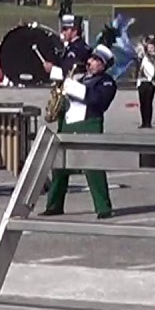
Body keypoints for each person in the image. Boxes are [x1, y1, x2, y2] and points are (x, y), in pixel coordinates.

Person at [41, 42, 116, 220]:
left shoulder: (106, 82)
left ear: (103, 65)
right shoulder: (80, 79)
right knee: (59, 167)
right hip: (68, 125)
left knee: (93, 168)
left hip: (88, 125)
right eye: (91, 58)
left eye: (96, 60)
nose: (90, 62)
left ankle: (103, 207)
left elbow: (98, 101)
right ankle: (54, 205)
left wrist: (71, 87)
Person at [42, 14, 90, 82]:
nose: (63, 32)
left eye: (65, 29)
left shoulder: (77, 50)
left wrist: (52, 69)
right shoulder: (72, 47)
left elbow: (71, 73)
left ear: (74, 31)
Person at [136, 37, 155, 129]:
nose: (150, 49)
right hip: (142, 82)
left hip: (151, 83)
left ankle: (148, 122)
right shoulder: (143, 57)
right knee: (142, 103)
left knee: (148, 103)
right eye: (149, 47)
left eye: (152, 47)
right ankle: (143, 122)